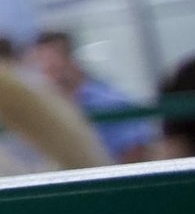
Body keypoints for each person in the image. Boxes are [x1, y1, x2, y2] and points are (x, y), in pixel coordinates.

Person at [29, 27, 159, 159]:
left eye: (52, 60)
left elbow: (136, 150)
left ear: (71, 59)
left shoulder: (109, 103)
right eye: (40, 61)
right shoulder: (47, 105)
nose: (46, 67)